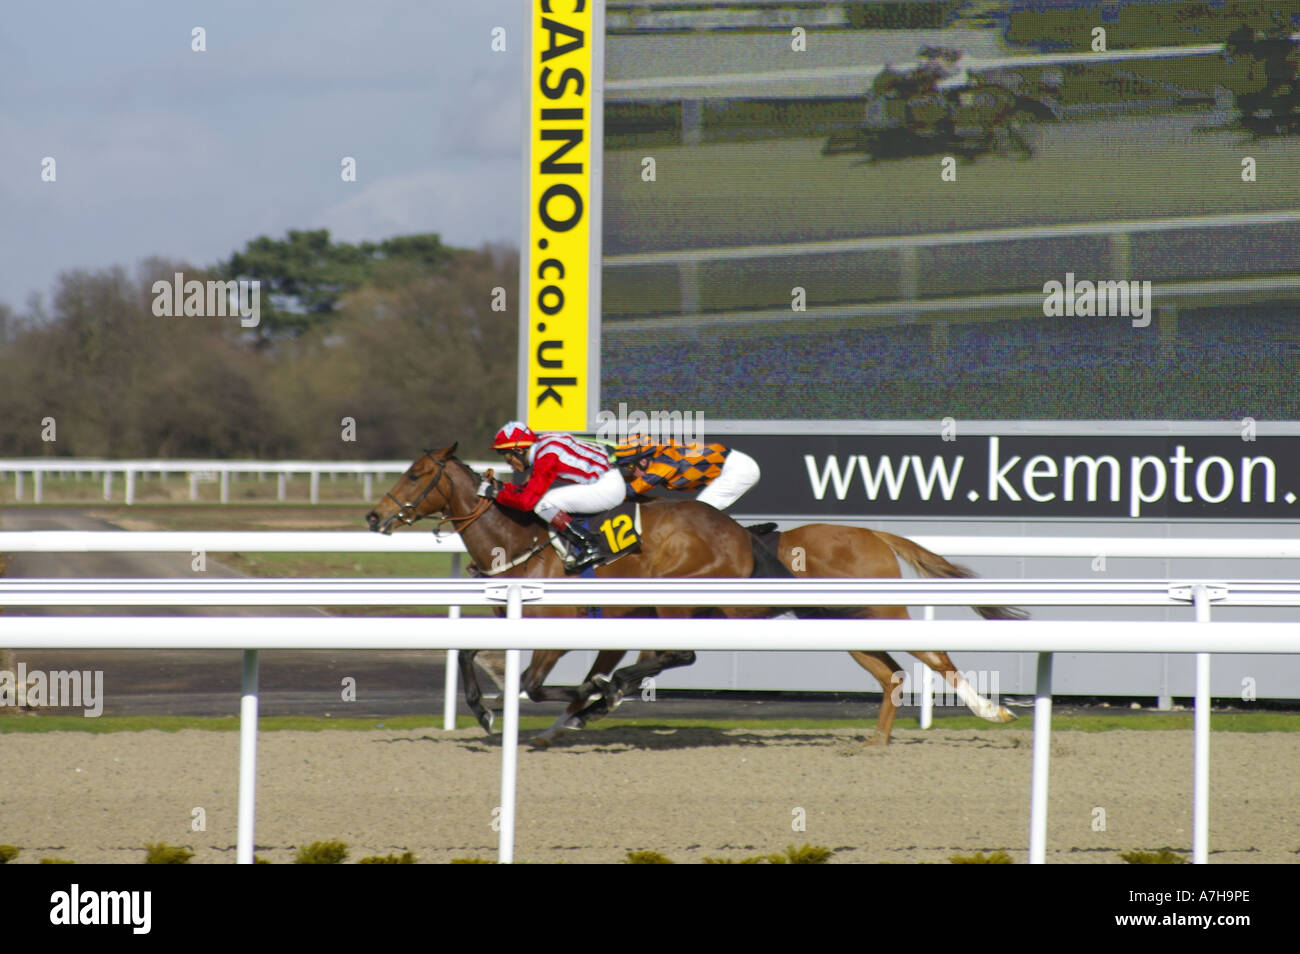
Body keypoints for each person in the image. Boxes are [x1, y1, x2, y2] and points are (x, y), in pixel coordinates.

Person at [479, 421, 624, 571]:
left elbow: (527, 502)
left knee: (543, 504)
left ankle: (588, 544)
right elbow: (528, 489)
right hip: (606, 480)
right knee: (545, 499)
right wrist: (502, 487)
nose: (510, 464)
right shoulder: (544, 446)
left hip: (607, 487)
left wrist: (495, 493)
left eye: (508, 457)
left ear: (519, 451)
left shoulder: (546, 457)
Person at [612, 435, 760, 511]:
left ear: (643, 461)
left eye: (630, 467)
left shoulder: (666, 462)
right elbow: (629, 483)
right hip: (730, 466)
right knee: (701, 510)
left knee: (699, 511)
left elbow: (636, 488)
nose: (629, 472)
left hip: (739, 469)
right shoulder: (656, 456)